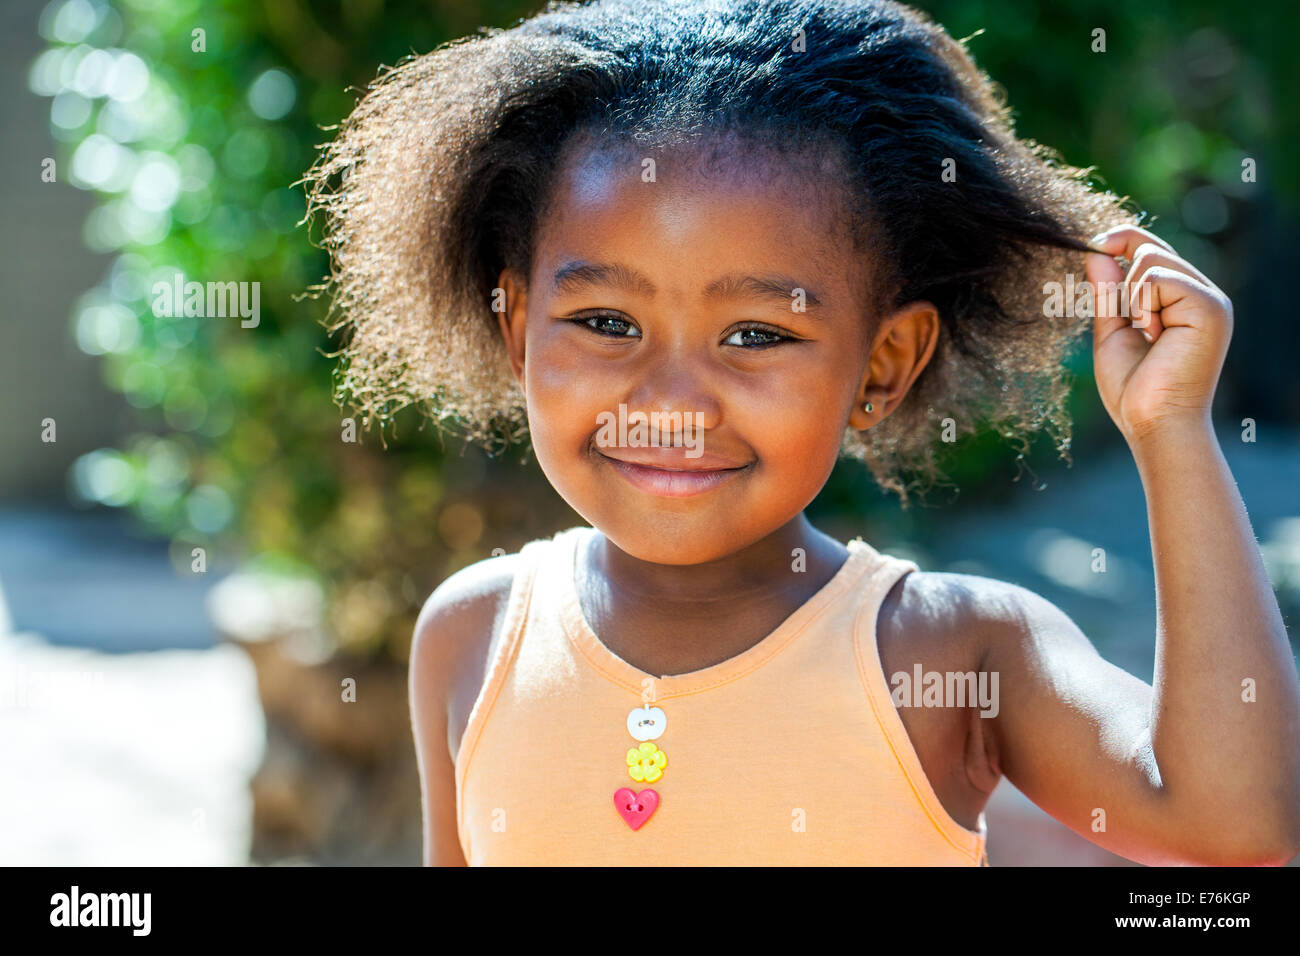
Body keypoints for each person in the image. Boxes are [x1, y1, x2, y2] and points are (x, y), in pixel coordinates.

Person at [304, 0, 1300, 865]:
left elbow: (1231, 824)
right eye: (606, 322)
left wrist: (1172, 429)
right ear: (517, 324)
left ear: (882, 364)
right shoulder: (470, 634)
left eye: (756, 333)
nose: (671, 400)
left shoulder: (948, 648)